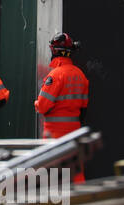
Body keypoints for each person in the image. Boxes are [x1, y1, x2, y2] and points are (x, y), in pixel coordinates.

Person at [34, 32, 90, 183]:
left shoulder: (55, 76)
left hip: (55, 133)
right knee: (76, 171)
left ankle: (57, 203)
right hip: (74, 132)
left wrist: (36, 104)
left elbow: (43, 106)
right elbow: (84, 108)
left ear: (54, 51)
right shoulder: (81, 75)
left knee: (54, 174)